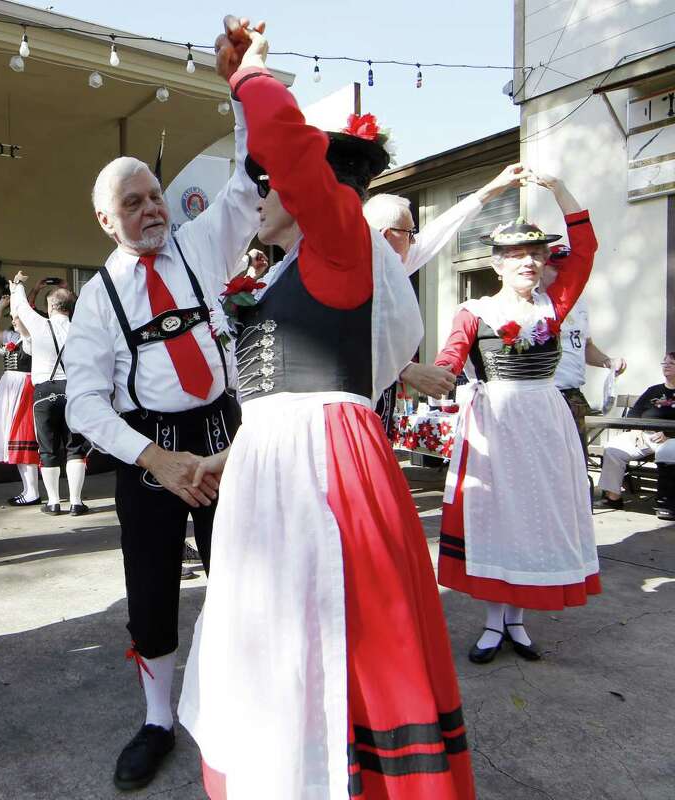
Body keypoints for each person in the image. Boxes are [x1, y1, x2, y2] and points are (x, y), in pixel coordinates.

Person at [178, 19, 474, 799]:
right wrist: (229, 454)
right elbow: (272, 401)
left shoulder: (341, 245)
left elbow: (294, 155)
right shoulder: (286, 277)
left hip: (325, 477)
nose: (263, 193)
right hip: (271, 474)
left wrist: (252, 79)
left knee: (337, 632)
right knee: (280, 641)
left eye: (271, 182)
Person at [63, 21, 257, 789]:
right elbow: (82, 404)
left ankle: (241, 698)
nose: (151, 209)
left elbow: (247, 182)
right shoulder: (97, 298)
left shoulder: (203, 245)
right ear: (106, 221)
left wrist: (238, 88)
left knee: (241, 574)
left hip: (222, 434)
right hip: (151, 452)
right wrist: (156, 459)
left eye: (154, 196)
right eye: (132, 203)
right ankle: (156, 719)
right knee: (151, 588)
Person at [432, 171, 599, 666]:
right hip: (495, 421)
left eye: (536, 253)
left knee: (535, 516)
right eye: (516, 255)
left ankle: (518, 621)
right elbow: (450, 357)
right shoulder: (473, 310)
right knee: (495, 516)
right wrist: (434, 377)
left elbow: (585, 248)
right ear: (497, 265)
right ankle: (490, 623)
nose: (528, 261)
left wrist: (560, 189)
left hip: (545, 420)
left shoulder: (554, 305)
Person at [364, 164, 530, 418]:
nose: (415, 240)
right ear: (388, 235)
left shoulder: (393, 264)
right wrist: (404, 369)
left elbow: (443, 228)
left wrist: (494, 187)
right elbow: (348, 337)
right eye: (410, 233)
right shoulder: (358, 274)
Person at [9, 273, 91, 515]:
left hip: (45, 392)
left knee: (47, 449)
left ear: (50, 306)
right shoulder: (81, 329)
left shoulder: (39, 325)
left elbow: (21, 307)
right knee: (75, 447)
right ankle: (76, 502)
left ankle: (54, 502)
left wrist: (17, 285)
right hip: (74, 390)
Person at [542, 244, 626, 456]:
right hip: (545, 394)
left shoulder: (578, 303)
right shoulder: (533, 303)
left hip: (573, 395)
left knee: (577, 461)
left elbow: (585, 345)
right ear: (541, 269)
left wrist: (608, 362)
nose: (566, 275)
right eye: (558, 269)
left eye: (569, 269)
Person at [596, 354, 675, 518]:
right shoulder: (653, 390)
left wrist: (669, 435)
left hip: (670, 439)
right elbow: (634, 413)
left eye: (672, 363)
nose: (666, 365)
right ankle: (613, 498)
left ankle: (666, 504)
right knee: (614, 449)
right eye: (664, 362)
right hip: (643, 435)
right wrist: (636, 430)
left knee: (668, 451)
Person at [0, 293, 41, 505]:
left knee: (22, 437)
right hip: (9, 390)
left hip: (24, 388)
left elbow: (27, 336)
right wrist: (0, 307)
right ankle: (29, 490)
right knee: (13, 439)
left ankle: (32, 491)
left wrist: (22, 307)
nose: (14, 320)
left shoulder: (31, 339)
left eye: (17, 317)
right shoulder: (12, 337)